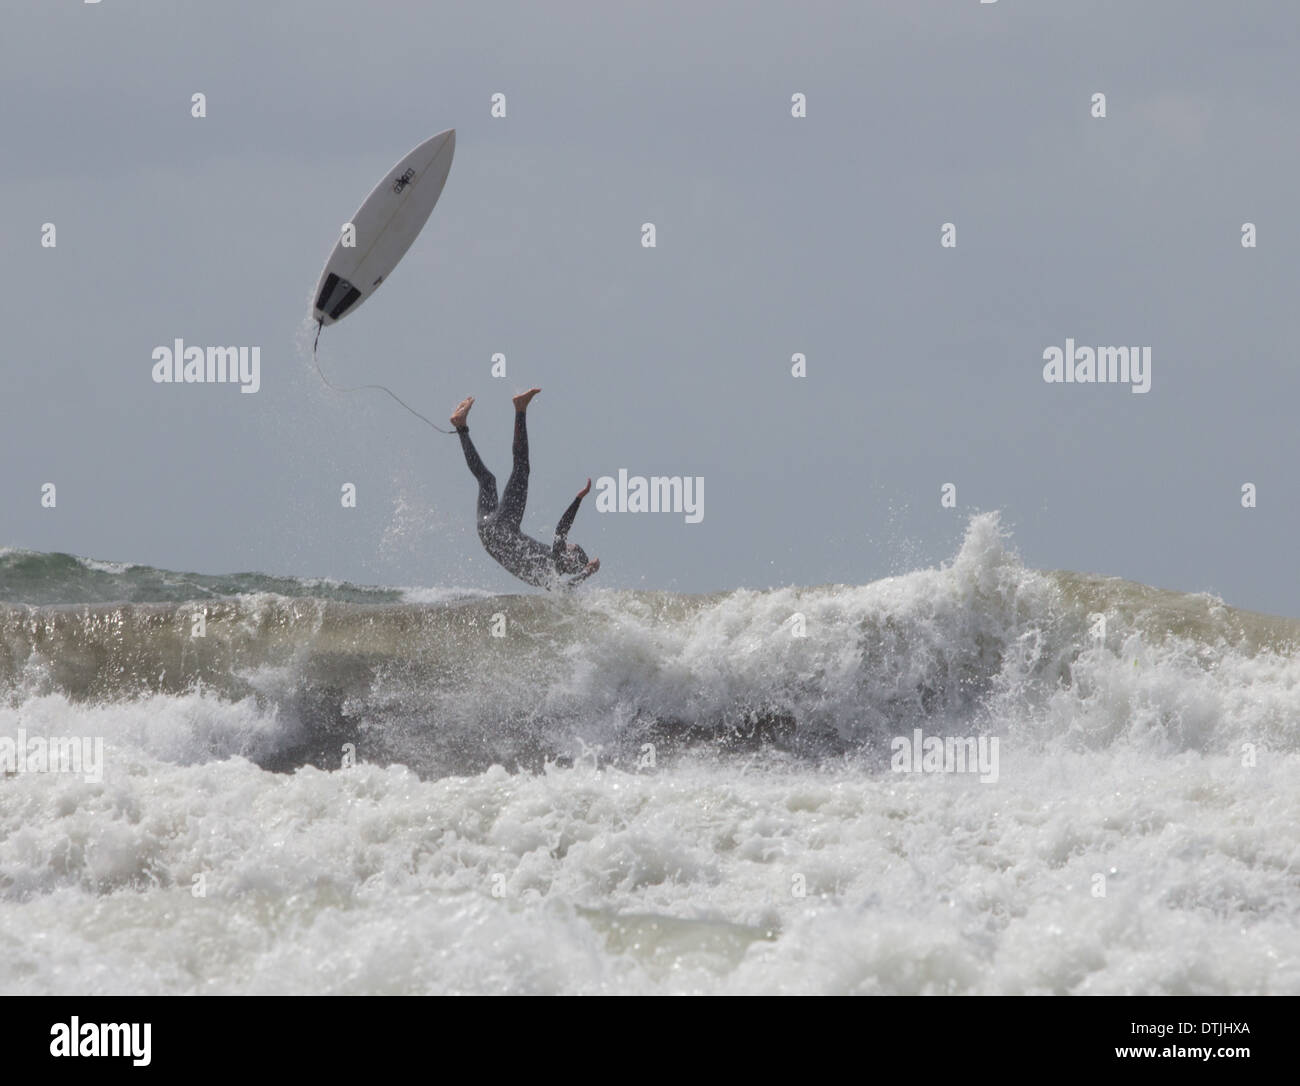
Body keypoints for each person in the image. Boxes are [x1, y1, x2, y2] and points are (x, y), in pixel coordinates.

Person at [451, 388, 600, 589]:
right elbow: (566, 589)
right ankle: (461, 426)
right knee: (487, 480)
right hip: (486, 533)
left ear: (570, 558)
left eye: (571, 548)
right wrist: (586, 574)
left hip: (501, 529)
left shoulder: (556, 559)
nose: (567, 545)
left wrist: (578, 500)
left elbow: (561, 529)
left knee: (522, 467)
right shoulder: (548, 579)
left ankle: (520, 409)